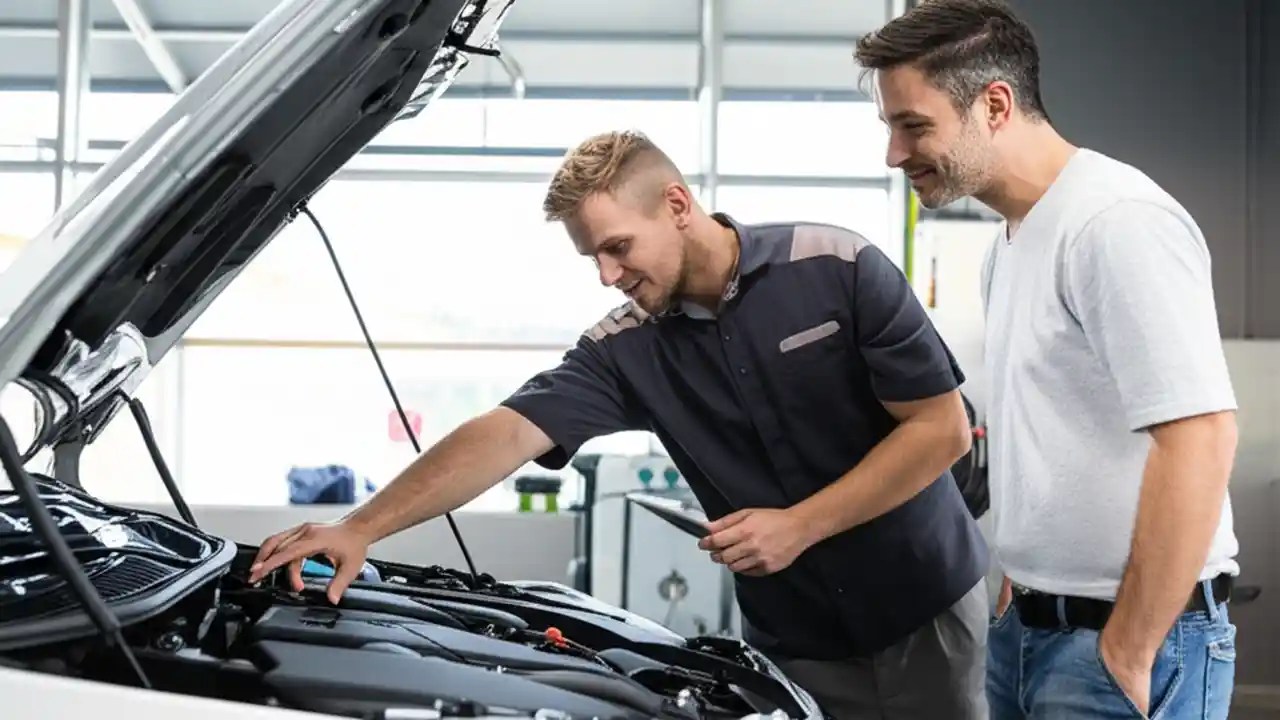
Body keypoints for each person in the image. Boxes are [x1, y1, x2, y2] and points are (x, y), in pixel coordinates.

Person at [247, 129, 993, 718]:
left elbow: (942, 430)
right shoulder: (625, 348)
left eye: (617, 247)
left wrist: (799, 525)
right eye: (592, 257)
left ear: (676, 205)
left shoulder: (838, 267)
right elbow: (506, 432)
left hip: (924, 609)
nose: (607, 275)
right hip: (797, 638)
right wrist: (361, 528)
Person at [855, 1, 1241, 718]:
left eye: (914, 126)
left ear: (995, 105)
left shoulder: (1115, 222)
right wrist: (1018, 586)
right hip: (1030, 629)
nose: (895, 154)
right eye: (890, 127)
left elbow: (1201, 437)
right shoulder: (1009, 244)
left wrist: (1128, 650)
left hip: (1124, 642)